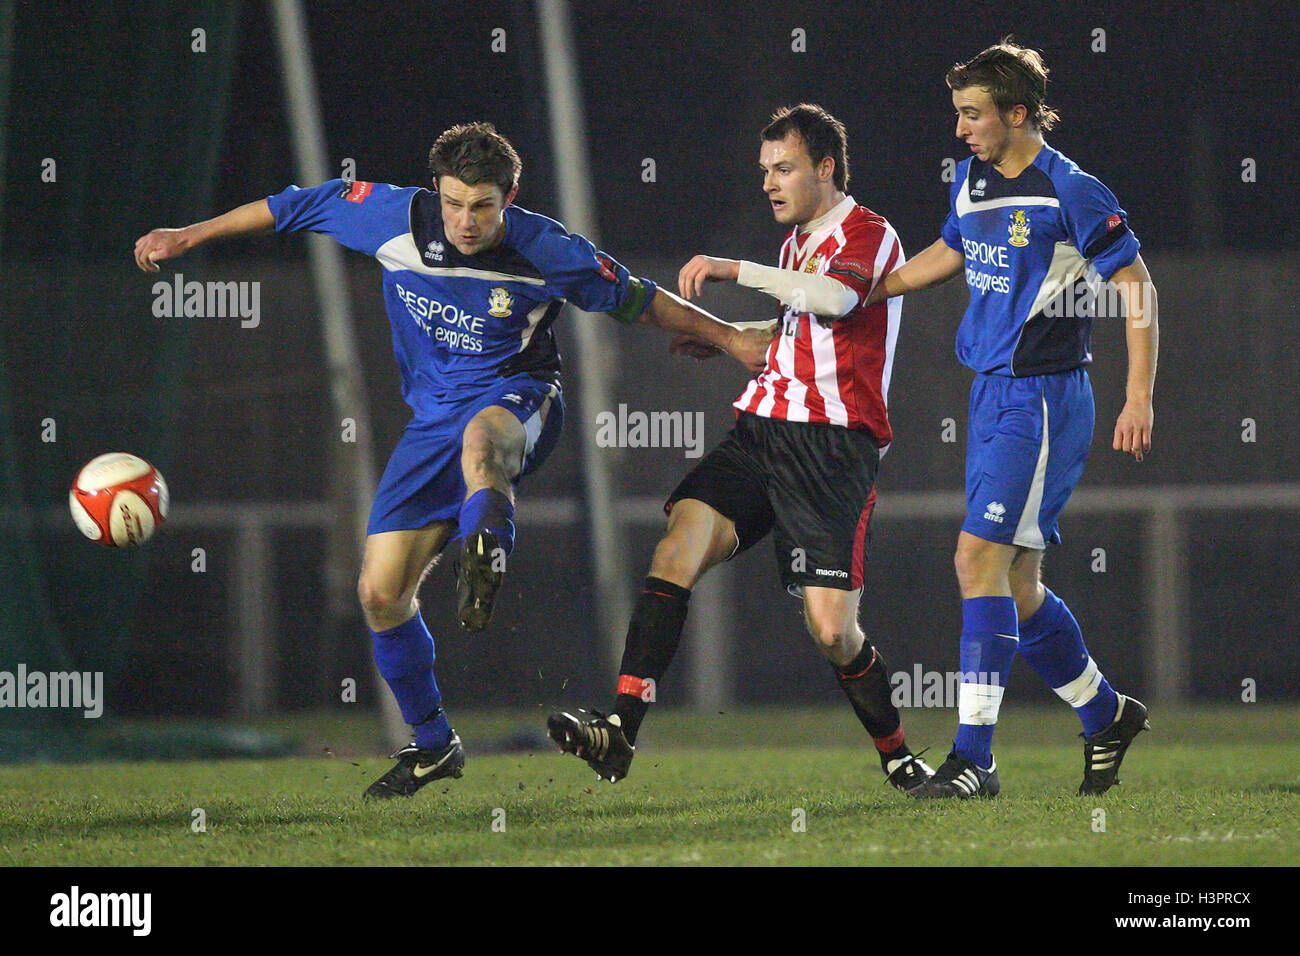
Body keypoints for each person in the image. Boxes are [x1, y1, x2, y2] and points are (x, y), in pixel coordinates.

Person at [133, 122, 770, 799]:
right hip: (428, 426)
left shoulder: (546, 248)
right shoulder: (387, 216)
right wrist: (187, 236)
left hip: (518, 399)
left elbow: (636, 298)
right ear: (435, 192)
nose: (467, 221)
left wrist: (728, 338)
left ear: (510, 197)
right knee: (380, 593)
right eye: (454, 203)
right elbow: (293, 205)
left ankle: (487, 542)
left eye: (483, 206)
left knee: (481, 444)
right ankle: (434, 746)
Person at [547, 104, 933, 793]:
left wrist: (734, 268)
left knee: (830, 629)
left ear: (825, 168)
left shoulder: (870, 232)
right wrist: (732, 335)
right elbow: (804, 320)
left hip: (832, 449)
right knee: (677, 545)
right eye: (763, 171)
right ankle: (619, 728)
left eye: (783, 168)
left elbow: (837, 303)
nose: (769, 182)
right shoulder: (795, 246)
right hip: (760, 434)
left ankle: (899, 756)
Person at [865, 41, 1158, 798]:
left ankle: (975, 760)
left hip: (1045, 398)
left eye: (973, 115)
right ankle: (1104, 713)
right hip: (991, 396)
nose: (961, 129)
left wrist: (1139, 396)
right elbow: (950, 251)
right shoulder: (972, 180)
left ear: (1017, 114)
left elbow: (1138, 284)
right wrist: (874, 288)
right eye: (959, 114)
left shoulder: (1073, 189)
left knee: (976, 560)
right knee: (1018, 583)